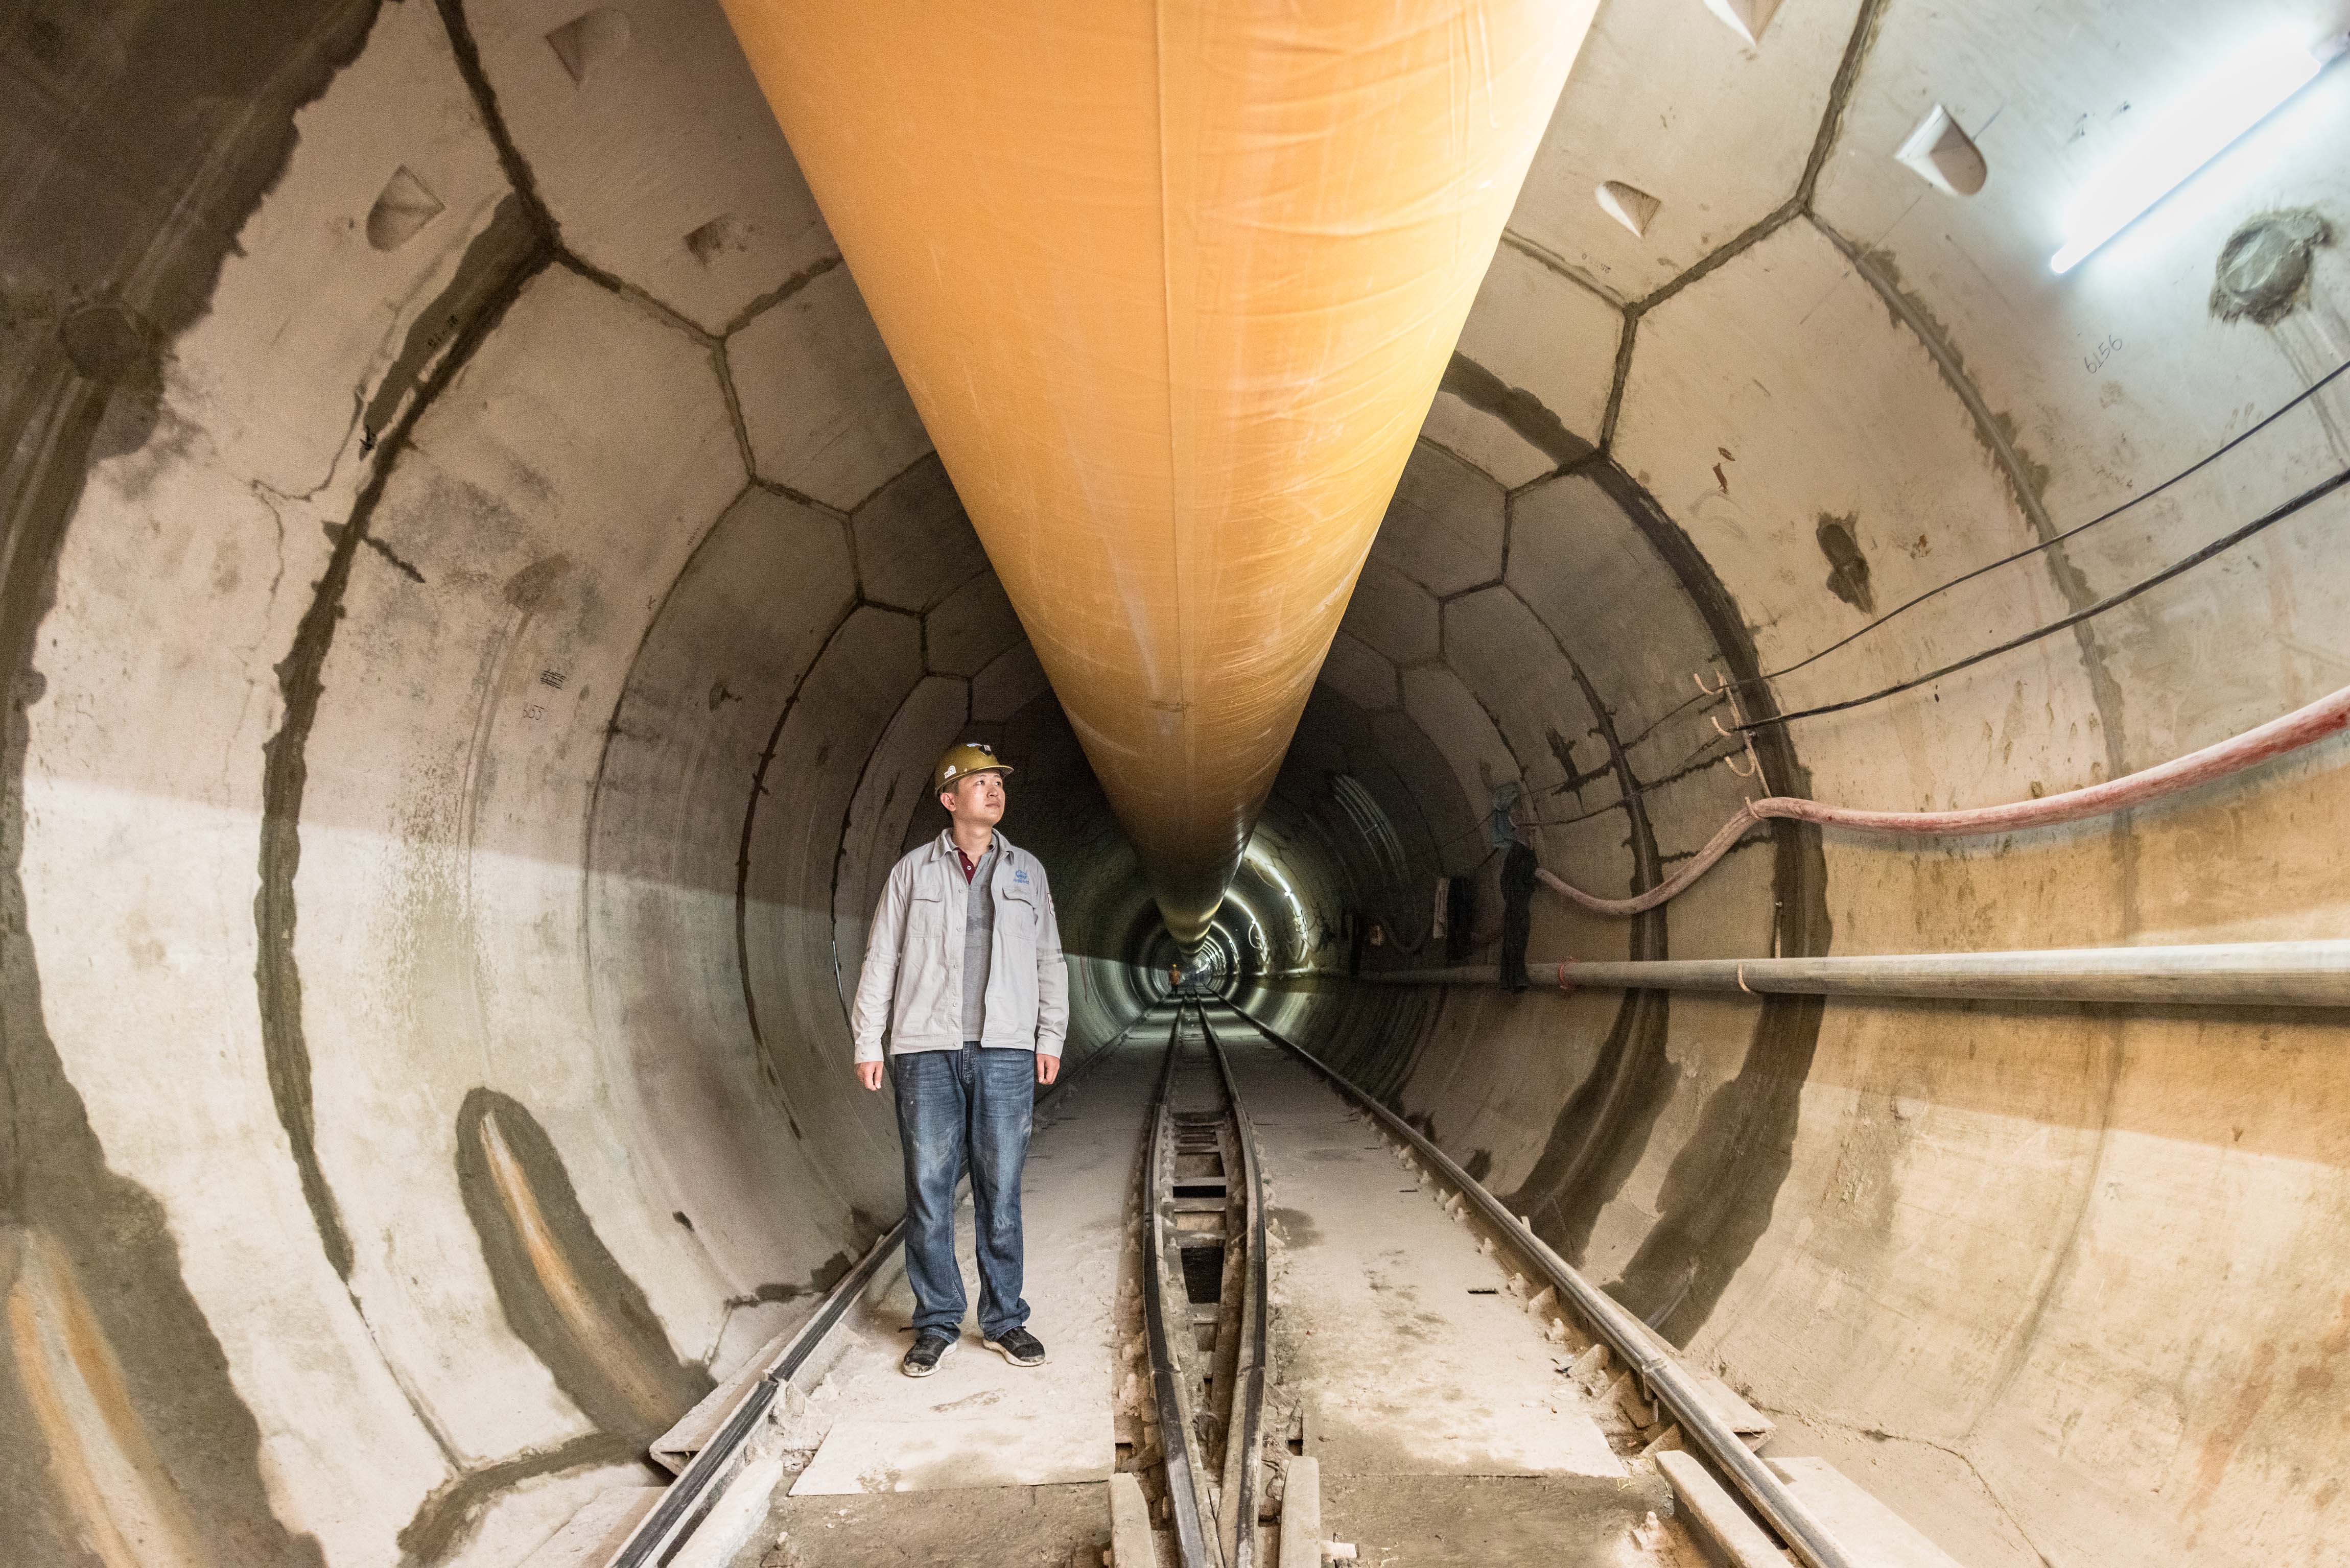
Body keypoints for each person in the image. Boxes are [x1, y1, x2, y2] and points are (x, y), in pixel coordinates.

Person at [852, 741, 1067, 1377]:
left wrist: (1049, 1035)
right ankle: (938, 1321)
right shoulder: (911, 872)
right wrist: (869, 1039)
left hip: (1004, 1050)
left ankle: (1004, 1320)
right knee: (929, 1189)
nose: (993, 789)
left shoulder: (1027, 871)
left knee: (1001, 1190)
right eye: (977, 782)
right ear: (949, 800)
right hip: (926, 1048)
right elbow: (881, 957)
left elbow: (1047, 958)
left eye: (997, 781)